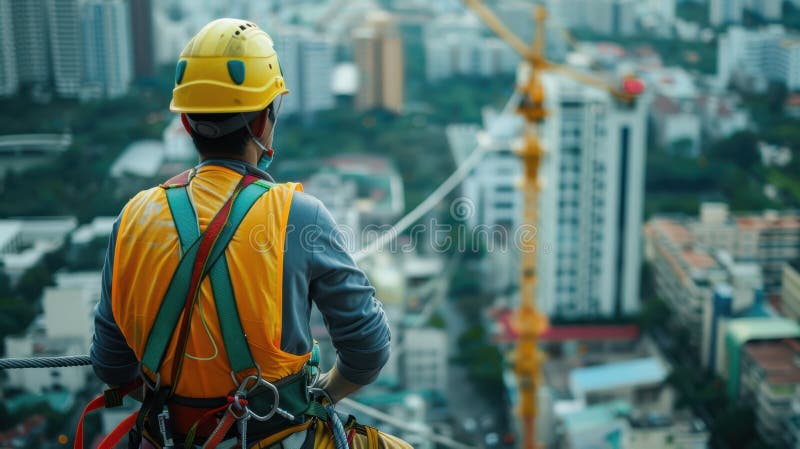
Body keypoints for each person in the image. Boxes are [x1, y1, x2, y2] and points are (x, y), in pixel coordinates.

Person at [89, 18, 406, 449]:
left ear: (186, 124)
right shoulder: (297, 215)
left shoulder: (132, 218)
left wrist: (179, 405)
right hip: (279, 433)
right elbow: (368, 348)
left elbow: (111, 363)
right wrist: (318, 395)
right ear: (263, 123)